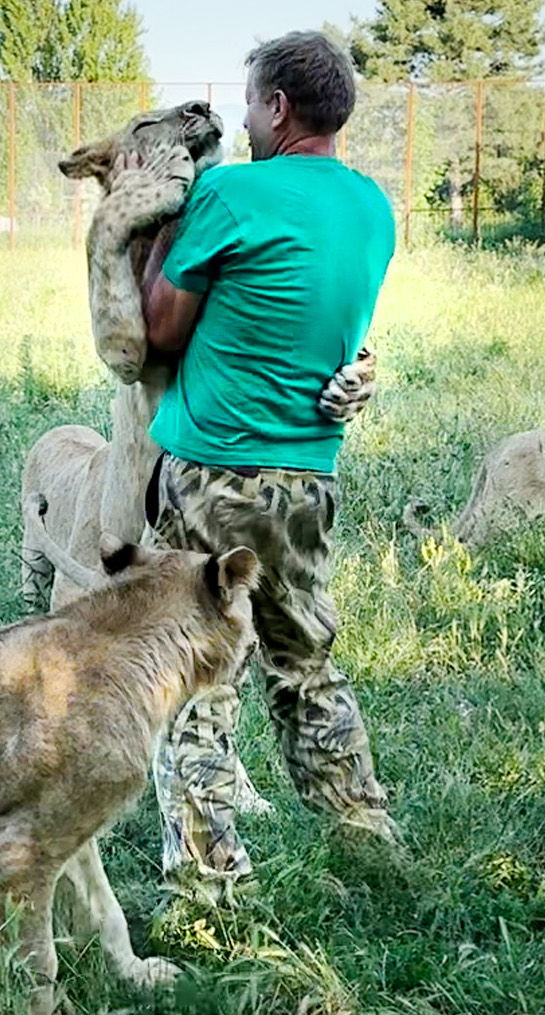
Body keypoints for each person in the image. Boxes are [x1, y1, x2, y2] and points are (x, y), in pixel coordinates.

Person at [133, 29, 399, 908]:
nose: (244, 121)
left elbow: (160, 331)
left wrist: (160, 226)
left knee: (200, 682)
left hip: (212, 477)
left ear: (279, 107)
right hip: (308, 479)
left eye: (251, 102)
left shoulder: (230, 194)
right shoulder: (371, 207)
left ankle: (210, 889)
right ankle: (366, 838)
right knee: (305, 665)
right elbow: (333, 322)